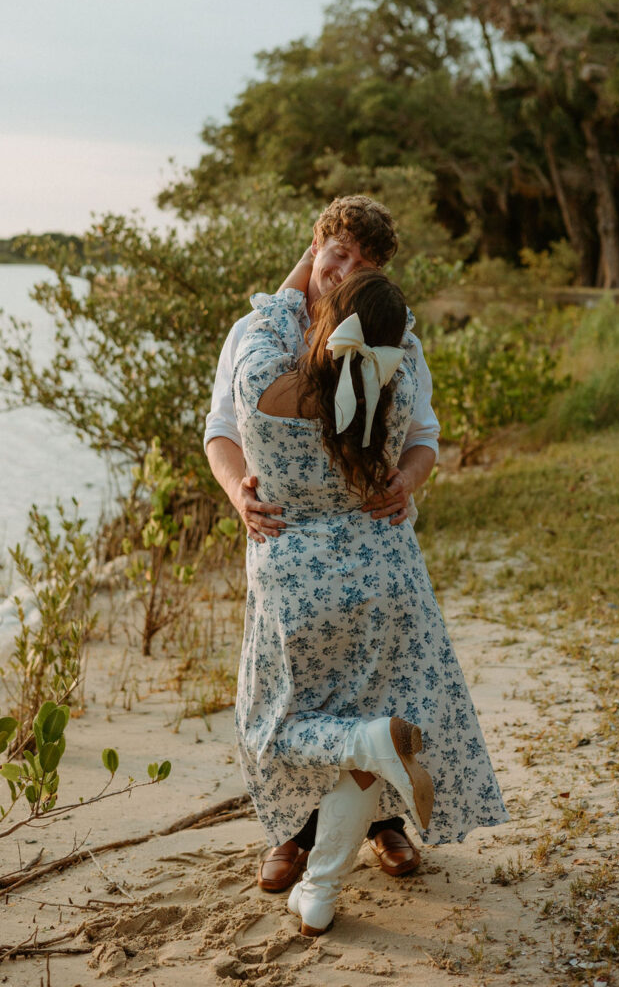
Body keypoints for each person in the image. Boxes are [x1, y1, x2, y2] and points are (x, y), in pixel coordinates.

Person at [230, 267, 507, 936]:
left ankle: (360, 757)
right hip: (381, 579)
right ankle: (320, 891)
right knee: (368, 741)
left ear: (324, 317)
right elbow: (418, 424)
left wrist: (309, 270)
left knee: (270, 725)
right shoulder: (399, 385)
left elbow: (266, 317)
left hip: (298, 587)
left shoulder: (264, 381)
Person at [205, 196, 440, 889]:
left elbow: (424, 436)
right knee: (295, 687)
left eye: (363, 264)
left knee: (377, 682)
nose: (344, 272)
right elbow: (222, 427)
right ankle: (293, 833)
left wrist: (408, 480)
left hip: (373, 538)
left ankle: (383, 825)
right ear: (316, 246)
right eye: (338, 254)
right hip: (284, 533)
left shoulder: (400, 338)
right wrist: (234, 491)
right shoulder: (255, 331)